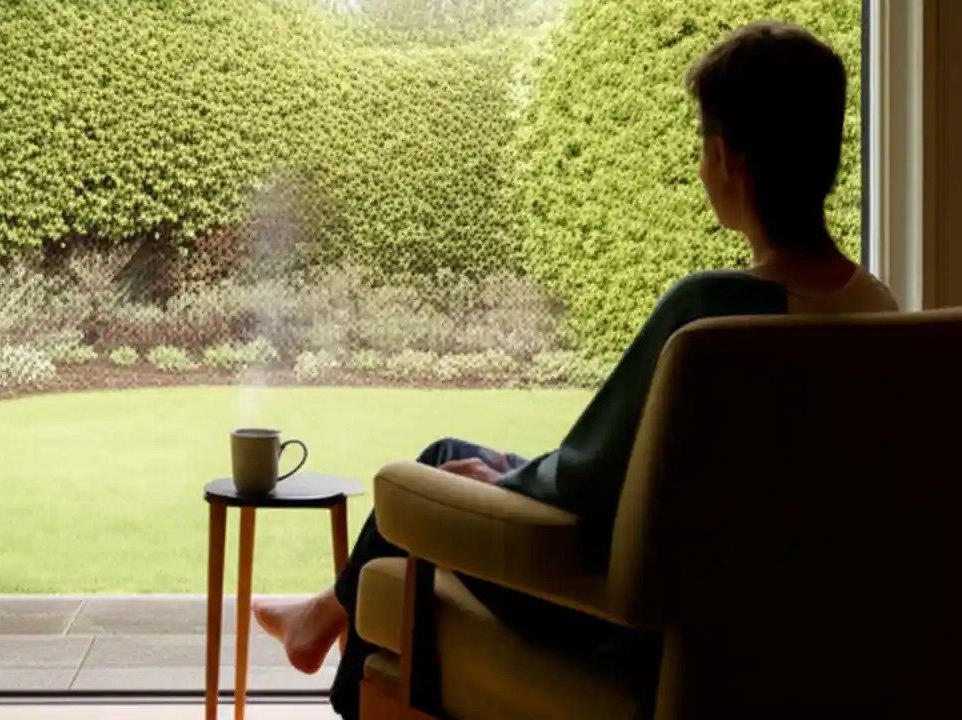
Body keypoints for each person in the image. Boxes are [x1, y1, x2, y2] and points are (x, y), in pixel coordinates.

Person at [254, 21, 901, 718]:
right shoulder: (882, 313)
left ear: (726, 160)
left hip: (625, 626)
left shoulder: (713, 312)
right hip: (789, 626)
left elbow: (586, 490)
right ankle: (321, 616)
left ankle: (330, 640)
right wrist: (512, 472)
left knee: (430, 480)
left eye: (701, 148)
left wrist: (504, 482)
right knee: (451, 457)